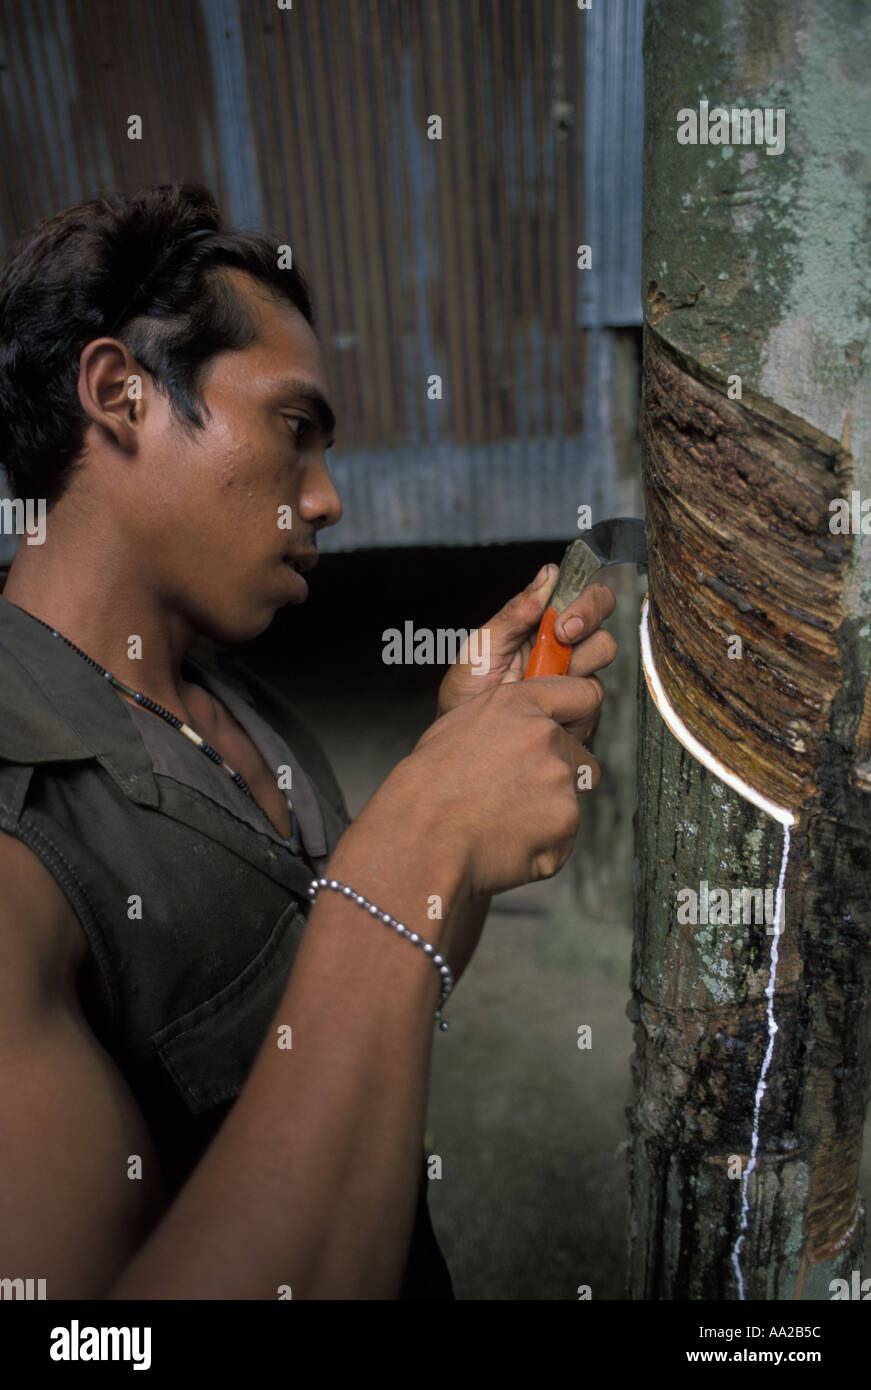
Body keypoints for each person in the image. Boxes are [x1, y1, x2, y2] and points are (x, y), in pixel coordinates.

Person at [0, 183, 617, 1300]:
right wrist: (411, 845)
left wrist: (460, 780)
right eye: (295, 430)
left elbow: (364, 996)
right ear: (118, 394)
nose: (328, 499)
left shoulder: (229, 698)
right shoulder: (17, 836)